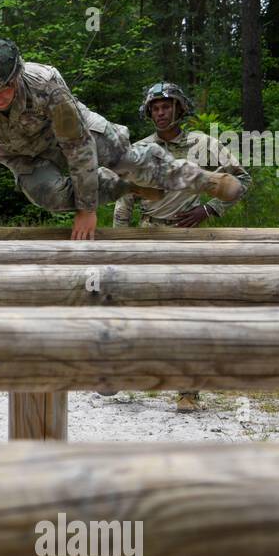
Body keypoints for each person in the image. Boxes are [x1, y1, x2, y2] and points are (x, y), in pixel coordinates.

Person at [0, 38, 244, 241]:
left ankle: (203, 179)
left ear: (18, 75)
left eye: (6, 89)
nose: (0, 98)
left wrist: (87, 209)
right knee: (49, 197)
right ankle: (124, 186)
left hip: (78, 133)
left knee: (128, 161)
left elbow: (77, 146)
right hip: (25, 153)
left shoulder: (46, 83)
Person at [114, 81, 253, 412]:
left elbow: (242, 180)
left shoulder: (204, 145)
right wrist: (118, 239)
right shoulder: (141, 148)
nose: (161, 113)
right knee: (133, 308)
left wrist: (208, 208)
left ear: (179, 108)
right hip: (147, 237)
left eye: (166, 106)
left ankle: (187, 390)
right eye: (155, 108)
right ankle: (117, 374)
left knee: (188, 313)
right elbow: (124, 195)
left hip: (187, 238)